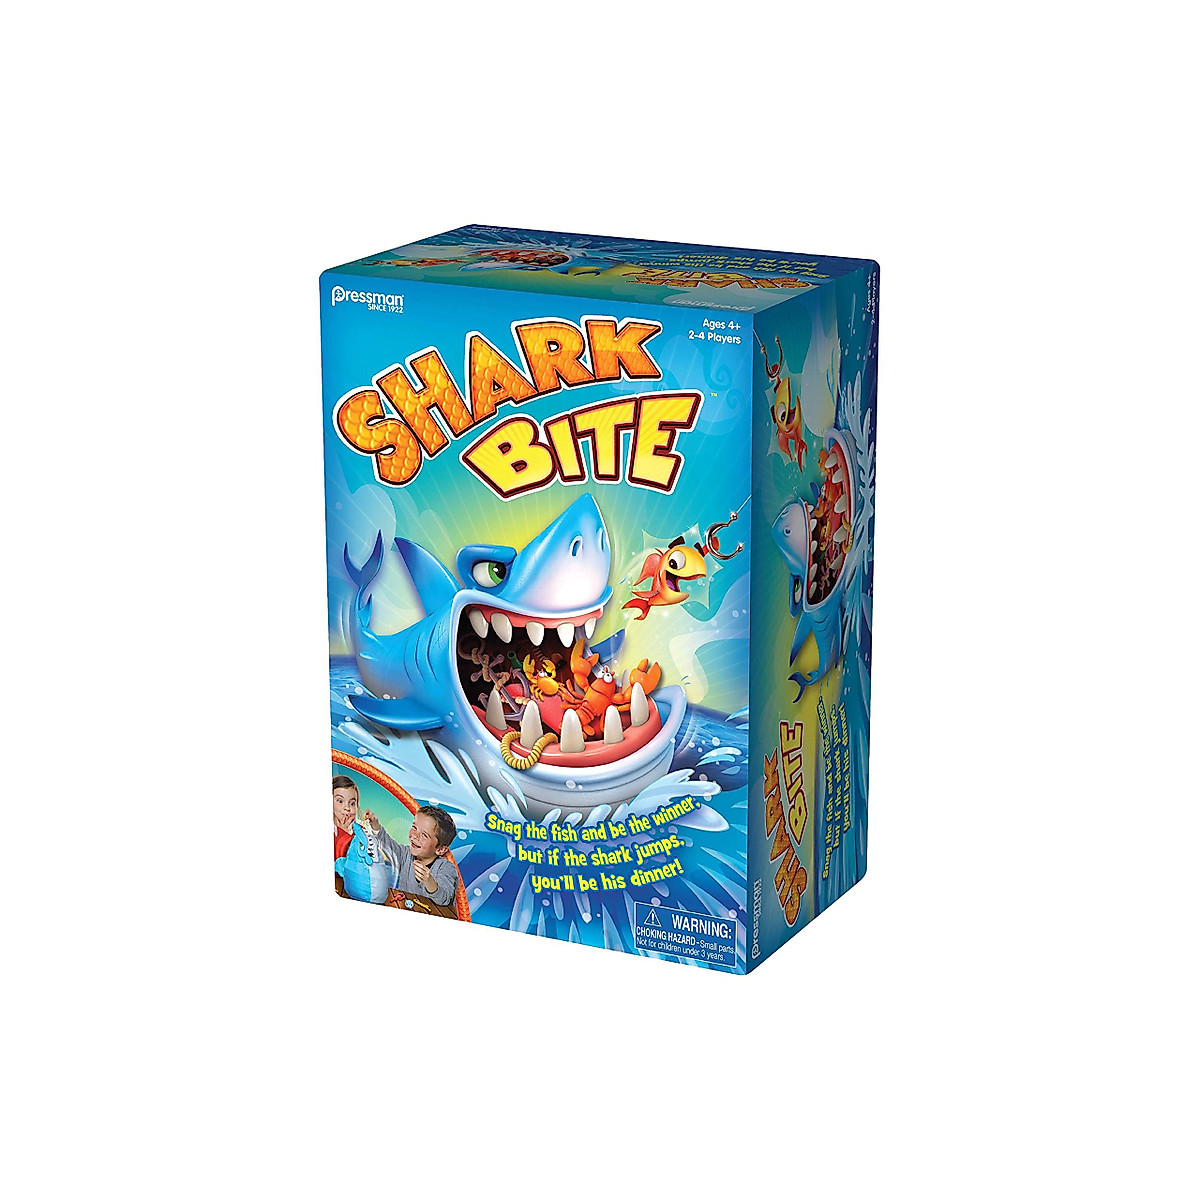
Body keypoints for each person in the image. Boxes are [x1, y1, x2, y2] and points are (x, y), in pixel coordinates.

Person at [360, 804, 459, 907]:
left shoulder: (446, 868)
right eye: (414, 827)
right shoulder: (405, 855)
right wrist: (375, 826)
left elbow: (444, 898)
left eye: (424, 835)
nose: (415, 836)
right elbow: (389, 845)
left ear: (440, 849)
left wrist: (428, 880)